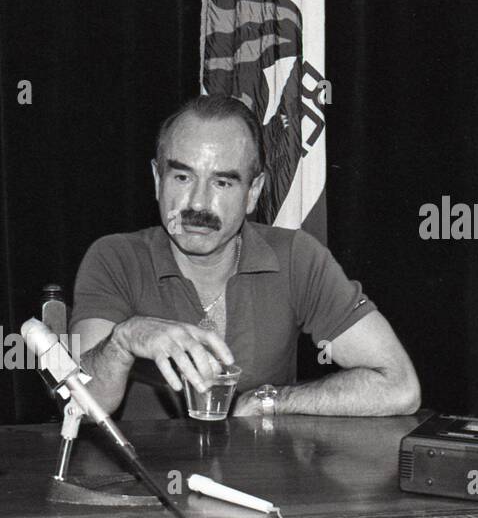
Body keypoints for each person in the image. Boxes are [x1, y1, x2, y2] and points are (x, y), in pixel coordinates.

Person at [69, 94, 420, 419]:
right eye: (181, 176)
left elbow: (400, 387)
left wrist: (270, 400)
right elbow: (79, 404)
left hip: (258, 483)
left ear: (253, 193)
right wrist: (124, 340)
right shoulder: (114, 258)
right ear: (157, 180)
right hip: (143, 482)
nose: (197, 203)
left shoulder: (297, 257)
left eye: (223, 183)